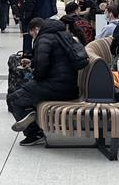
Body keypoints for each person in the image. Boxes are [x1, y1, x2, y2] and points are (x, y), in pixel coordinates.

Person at [10, 18, 82, 146]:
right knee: (27, 91)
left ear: (36, 30)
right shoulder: (63, 35)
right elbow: (57, 61)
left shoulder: (44, 38)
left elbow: (41, 69)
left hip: (57, 87)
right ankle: (33, 116)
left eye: (32, 35)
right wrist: (33, 64)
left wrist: (34, 73)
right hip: (70, 86)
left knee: (14, 98)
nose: (33, 39)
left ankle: (33, 133)